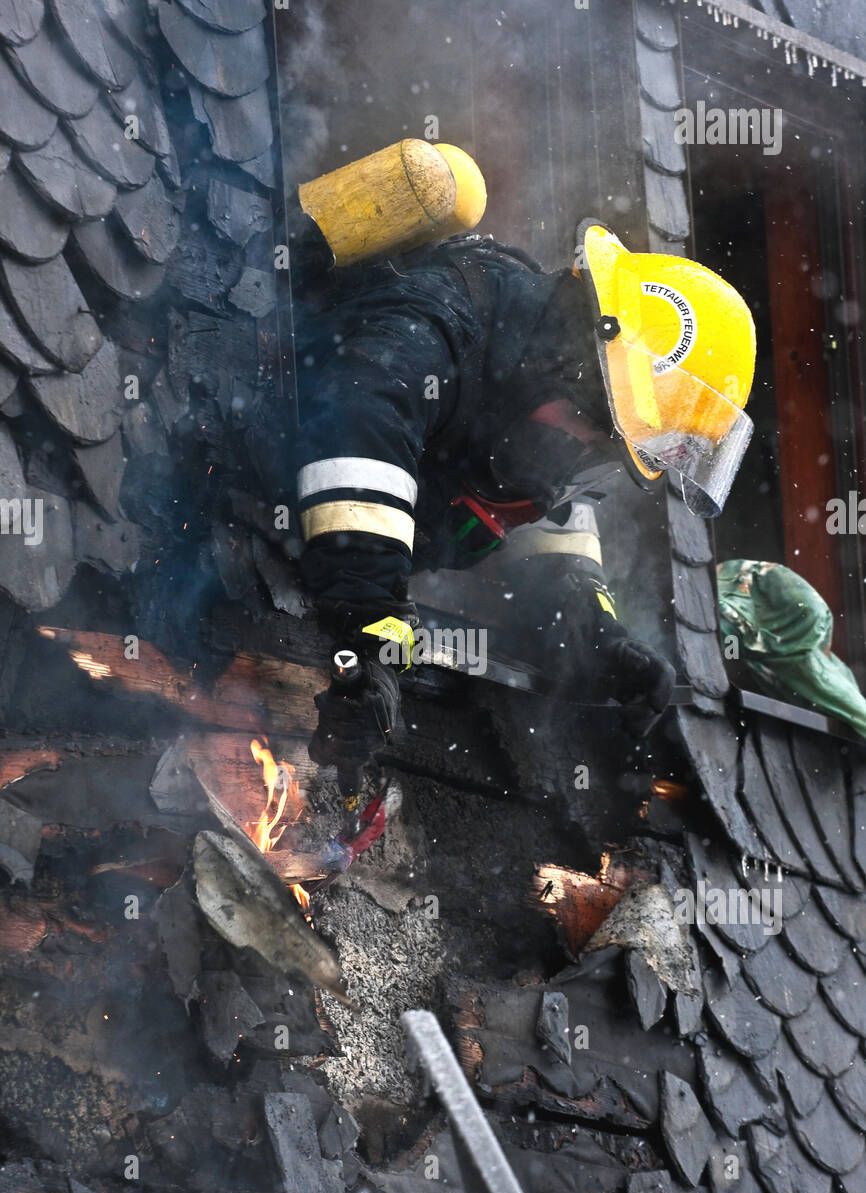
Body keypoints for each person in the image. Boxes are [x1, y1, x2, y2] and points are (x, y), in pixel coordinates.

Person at [274, 141, 757, 773]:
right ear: (569, 363)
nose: (577, 457)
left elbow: (555, 560)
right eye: (595, 429)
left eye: (608, 449)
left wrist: (599, 644)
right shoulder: (447, 315)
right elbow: (364, 417)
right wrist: (373, 626)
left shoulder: (545, 428)